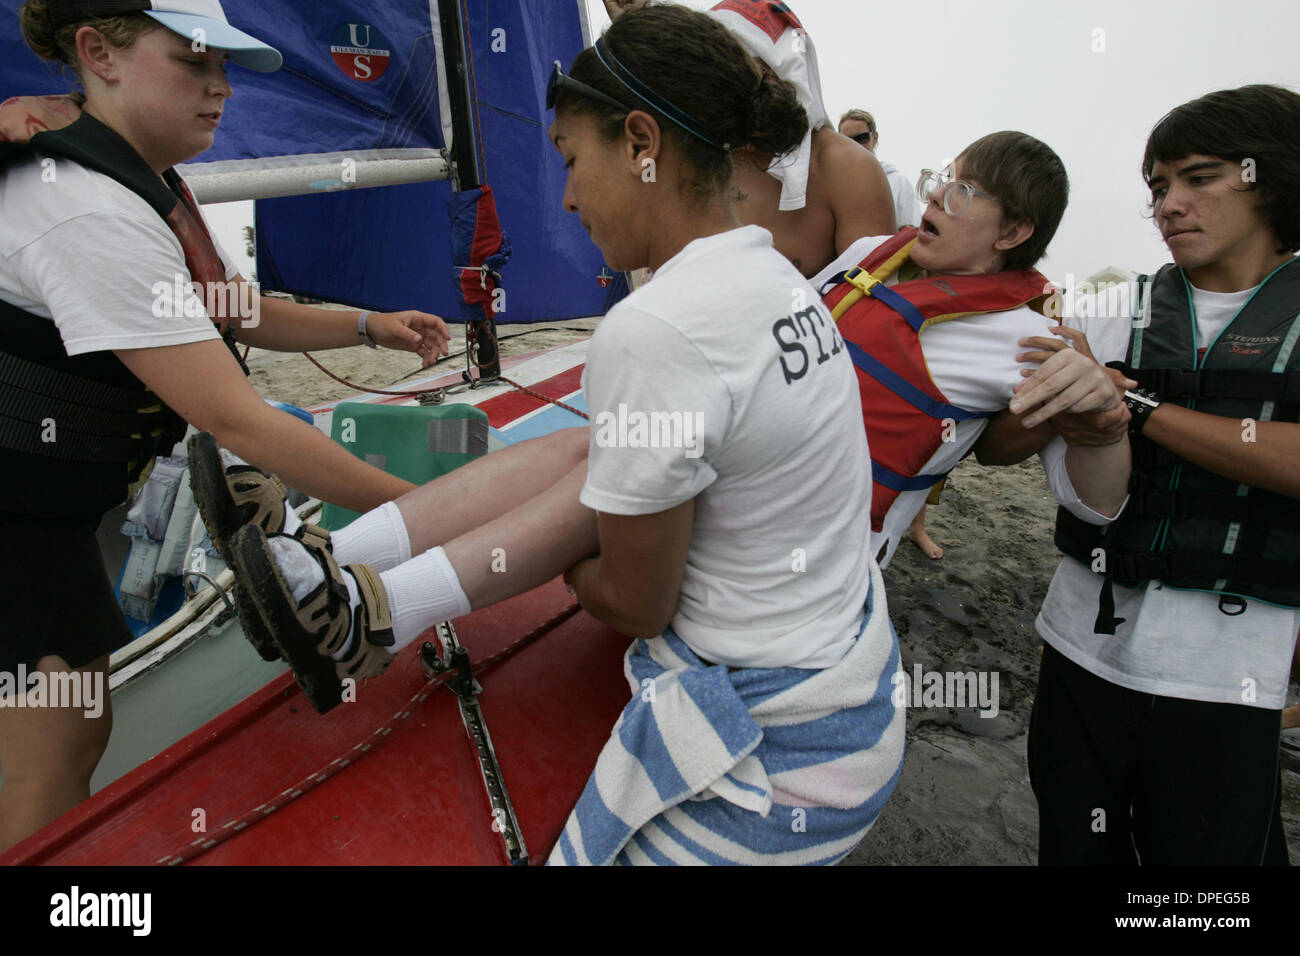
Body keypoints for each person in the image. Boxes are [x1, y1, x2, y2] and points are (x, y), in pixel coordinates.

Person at [201, 3, 904, 866]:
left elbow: (633, 601)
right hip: (855, 696)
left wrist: (559, 545)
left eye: (572, 160)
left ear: (642, 142)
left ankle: (369, 611)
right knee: (588, 452)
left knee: (591, 470)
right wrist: (584, 508)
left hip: (782, 768)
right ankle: (356, 589)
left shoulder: (662, 329)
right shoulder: (786, 285)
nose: (565, 197)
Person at [0, 0, 452, 852]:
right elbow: (238, 419)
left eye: (226, 67)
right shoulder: (91, 211)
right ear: (98, 52)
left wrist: (367, 323)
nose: (221, 89)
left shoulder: (137, 182)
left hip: (40, 507)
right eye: (194, 62)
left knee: (67, 735)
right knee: (50, 750)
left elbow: (230, 309)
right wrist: (435, 516)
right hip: (17, 513)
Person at [1014, 84, 1300, 864]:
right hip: (1082, 654)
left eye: (1199, 179)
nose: (1171, 204)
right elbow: (1006, 445)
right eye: (1158, 188)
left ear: (1269, 177)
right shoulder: (1114, 312)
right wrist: (1049, 377)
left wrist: (1133, 403)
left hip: (1229, 681)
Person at [809, 132, 1124, 570]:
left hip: (828, 563)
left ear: (1012, 232)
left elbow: (1097, 506)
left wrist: (1105, 419)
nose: (936, 195)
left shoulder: (1031, 340)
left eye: (963, 191)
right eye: (943, 179)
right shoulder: (868, 255)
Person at [603, 0, 896, 277]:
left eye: (754, 75)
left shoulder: (847, 171)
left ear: (789, 76)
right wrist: (633, 29)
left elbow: (873, 316)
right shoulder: (696, 161)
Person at [838, 108, 921, 230]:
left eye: (861, 138)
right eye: (846, 140)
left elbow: (911, 235)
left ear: (875, 138)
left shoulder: (898, 183)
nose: (854, 145)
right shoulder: (833, 186)